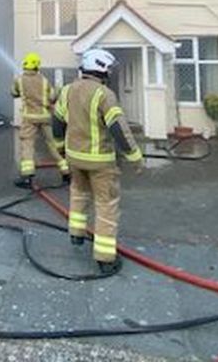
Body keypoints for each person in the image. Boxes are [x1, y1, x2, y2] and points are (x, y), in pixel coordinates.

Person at [52, 48, 143, 275]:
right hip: (100, 162)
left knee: (79, 193)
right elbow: (119, 129)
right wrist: (135, 157)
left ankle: (76, 233)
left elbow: (57, 123)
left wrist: (61, 149)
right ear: (102, 69)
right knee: (106, 205)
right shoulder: (104, 94)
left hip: (74, 158)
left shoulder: (67, 91)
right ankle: (104, 258)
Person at [12, 52, 69, 189]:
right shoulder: (44, 80)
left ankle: (27, 177)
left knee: (27, 145)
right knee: (53, 145)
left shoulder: (19, 80)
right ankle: (67, 173)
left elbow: (14, 93)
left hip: (29, 118)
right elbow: (53, 96)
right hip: (45, 117)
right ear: (37, 66)